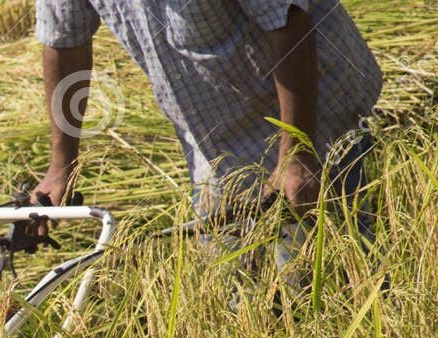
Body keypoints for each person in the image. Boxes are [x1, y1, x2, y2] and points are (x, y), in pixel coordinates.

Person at [32, 1, 381, 230]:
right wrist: (61, 169)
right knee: (232, 297)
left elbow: (287, 22)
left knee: (318, 287)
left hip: (313, 121)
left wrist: (296, 155)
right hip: (215, 148)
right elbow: (64, 42)